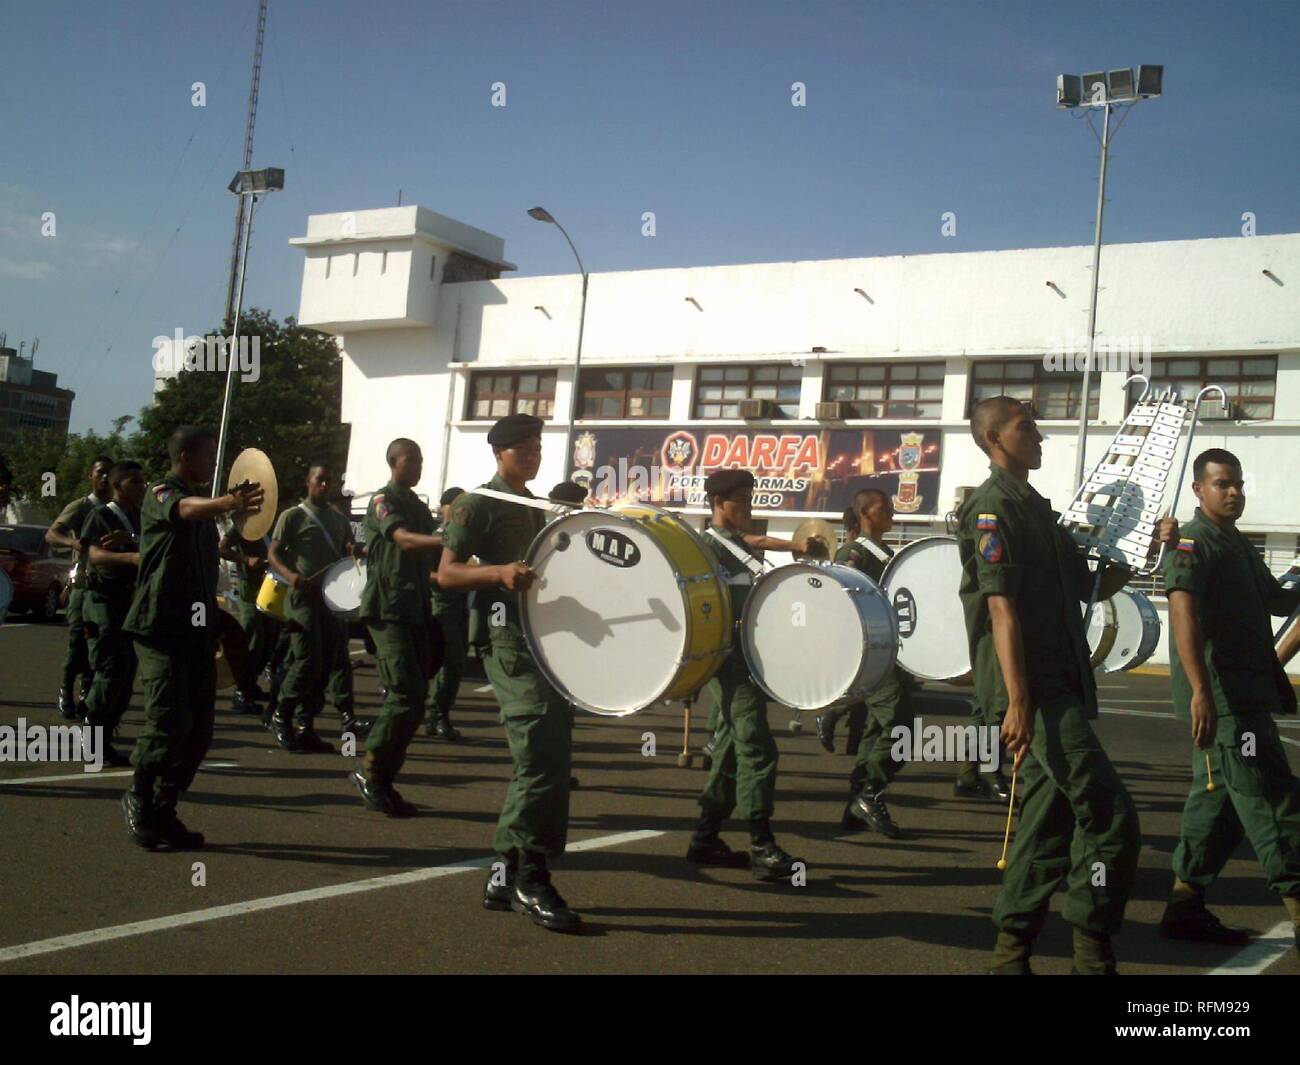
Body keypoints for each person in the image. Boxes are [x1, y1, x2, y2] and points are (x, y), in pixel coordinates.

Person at [957, 396, 1177, 975]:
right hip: (1034, 692)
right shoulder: (992, 508)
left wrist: (1145, 550)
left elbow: (1092, 588)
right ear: (994, 439)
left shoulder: (1038, 510)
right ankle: (1092, 949)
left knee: (1044, 823)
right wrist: (1019, 702)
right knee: (1111, 819)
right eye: (1025, 428)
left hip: (1060, 681)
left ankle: (1010, 955)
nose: (1039, 437)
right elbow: (1000, 609)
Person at [438, 415, 579, 933]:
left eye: (537, 446)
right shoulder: (480, 503)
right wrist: (497, 572)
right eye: (523, 448)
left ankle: (502, 873)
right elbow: (447, 571)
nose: (534, 454)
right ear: (499, 453)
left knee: (544, 755)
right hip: (506, 642)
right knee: (542, 749)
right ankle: (532, 875)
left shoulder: (538, 507)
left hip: (548, 641)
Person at [1158, 448, 1300, 953]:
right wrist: (1199, 691)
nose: (1233, 491)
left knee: (1217, 806)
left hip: (1245, 694)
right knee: (1271, 800)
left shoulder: (1236, 544)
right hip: (1224, 700)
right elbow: (1183, 617)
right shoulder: (1193, 544)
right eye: (1222, 484)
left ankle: (1184, 906)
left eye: (1237, 483)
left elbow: (1279, 601)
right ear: (1199, 490)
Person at [121, 426, 263, 850]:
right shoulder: (161, 493)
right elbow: (184, 509)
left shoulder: (205, 518)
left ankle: (165, 808)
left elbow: (202, 572)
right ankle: (139, 796)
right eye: (205, 456)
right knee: (168, 722)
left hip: (196, 631)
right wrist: (227, 503)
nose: (211, 464)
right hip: (159, 627)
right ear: (184, 456)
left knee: (199, 730)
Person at [686, 468, 812, 883]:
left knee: (727, 751)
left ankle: (705, 837)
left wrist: (795, 545)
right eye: (741, 499)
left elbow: (756, 541)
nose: (749, 507)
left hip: (748, 661)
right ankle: (761, 844)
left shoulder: (737, 543)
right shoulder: (704, 548)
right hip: (731, 667)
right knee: (758, 748)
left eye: (749, 498)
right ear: (719, 502)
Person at [351, 439, 445, 816]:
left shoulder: (420, 507)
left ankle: (384, 778)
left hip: (416, 610)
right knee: (405, 692)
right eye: (411, 460)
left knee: (416, 696)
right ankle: (370, 771)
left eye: (421, 459)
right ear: (394, 462)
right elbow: (404, 540)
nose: (418, 465)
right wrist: (446, 537)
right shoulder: (382, 500)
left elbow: (437, 555)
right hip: (388, 608)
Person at [831, 488, 919, 837]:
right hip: (869, 654)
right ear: (865, 513)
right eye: (884, 509)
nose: (892, 513)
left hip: (891, 653)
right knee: (902, 727)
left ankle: (857, 804)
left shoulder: (887, 553)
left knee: (874, 732)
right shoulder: (853, 552)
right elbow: (840, 601)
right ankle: (868, 794)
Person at [268, 461, 366, 753]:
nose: (325, 486)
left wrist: (362, 551)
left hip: (330, 598)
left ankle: (305, 725)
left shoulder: (338, 519)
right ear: (308, 482)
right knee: (307, 660)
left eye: (329, 481)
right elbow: (273, 554)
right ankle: (280, 715)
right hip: (302, 598)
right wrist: (290, 576)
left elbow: (348, 550)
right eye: (320, 480)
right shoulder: (293, 517)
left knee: (324, 665)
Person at [80, 461, 146, 767]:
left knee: (126, 671)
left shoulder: (137, 517)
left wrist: (132, 543)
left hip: (127, 604)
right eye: (134, 482)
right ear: (118, 486)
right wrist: (130, 556)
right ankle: (92, 732)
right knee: (109, 670)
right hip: (104, 602)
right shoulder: (102, 515)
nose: (141, 487)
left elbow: (151, 546)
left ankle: (103, 738)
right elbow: (95, 554)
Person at [46, 457, 115, 720]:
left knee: (98, 646)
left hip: (107, 588)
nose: (106, 478)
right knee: (77, 643)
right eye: (101, 473)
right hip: (82, 586)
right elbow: (51, 534)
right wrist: (72, 543)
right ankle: (66, 688)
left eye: (110, 473)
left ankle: (88, 693)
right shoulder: (81, 506)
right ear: (91, 477)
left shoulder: (116, 510)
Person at [813, 505, 866, 754]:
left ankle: (855, 744)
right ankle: (831, 715)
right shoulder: (851, 552)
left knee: (865, 692)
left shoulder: (875, 550)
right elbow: (843, 592)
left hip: (871, 630)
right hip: (853, 632)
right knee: (862, 686)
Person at [424, 487, 467, 741]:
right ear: (444, 507)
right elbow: (423, 571)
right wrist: (443, 578)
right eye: (456, 505)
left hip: (459, 603)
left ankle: (438, 713)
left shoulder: (461, 537)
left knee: (456, 663)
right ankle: (437, 713)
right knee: (452, 661)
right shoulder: (436, 537)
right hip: (440, 604)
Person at [217, 526, 274, 715]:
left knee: (269, 638)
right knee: (254, 638)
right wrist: (246, 559)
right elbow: (222, 548)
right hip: (250, 584)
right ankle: (241, 692)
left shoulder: (272, 521)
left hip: (269, 582)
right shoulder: (243, 524)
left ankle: (250, 684)